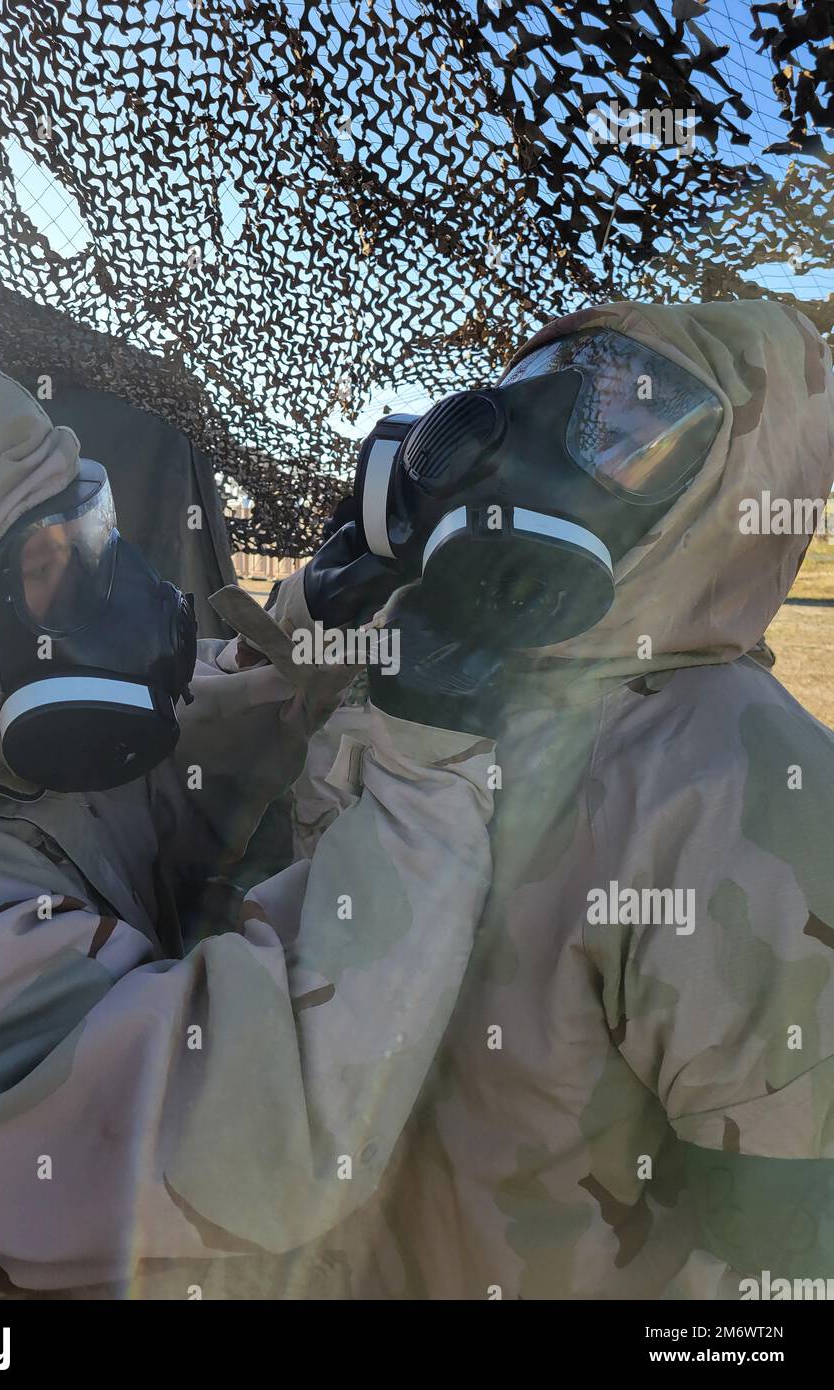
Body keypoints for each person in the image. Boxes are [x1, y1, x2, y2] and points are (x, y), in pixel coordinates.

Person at [0, 313, 498, 1298]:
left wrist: (313, 622)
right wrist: (434, 744)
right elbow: (273, 1125)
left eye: (89, 531)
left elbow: (154, 777)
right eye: (46, 562)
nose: (106, 589)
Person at [296, 298, 834, 1299]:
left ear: (741, 487)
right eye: (539, 392)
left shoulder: (739, 779)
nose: (528, 436)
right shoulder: (414, 661)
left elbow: (779, 1251)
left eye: (623, 419)